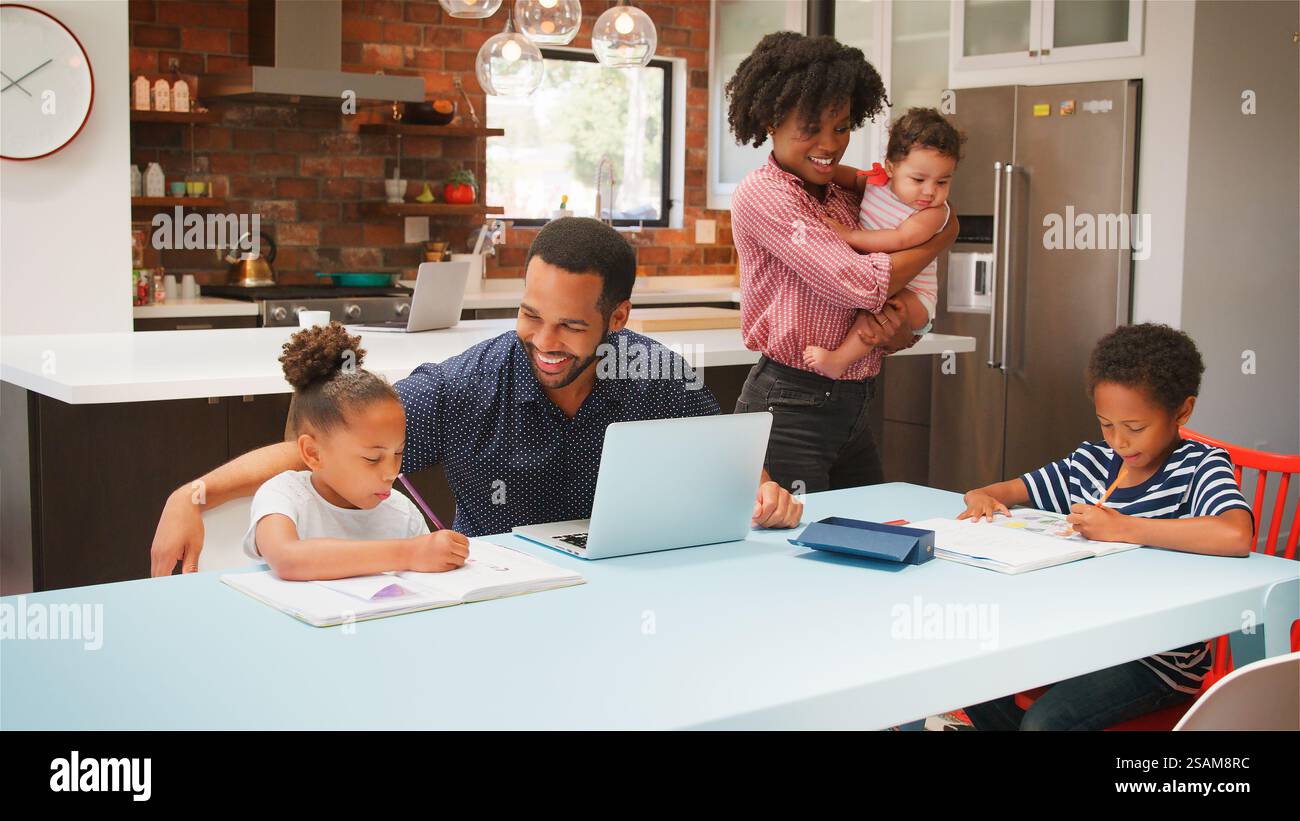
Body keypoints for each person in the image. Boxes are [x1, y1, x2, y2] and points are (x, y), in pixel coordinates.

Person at [151, 218, 803, 575]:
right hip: (496, 599)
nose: (543, 341)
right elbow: (326, 449)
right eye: (530, 315)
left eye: (572, 326)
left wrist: (765, 491)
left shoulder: (659, 378)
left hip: (628, 591)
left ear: (618, 317)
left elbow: (732, 470)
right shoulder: (468, 386)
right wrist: (193, 494)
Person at [958, 323, 1254, 730]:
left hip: (1158, 659)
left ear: (1182, 411)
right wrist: (982, 495)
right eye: (1106, 424)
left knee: (1047, 722)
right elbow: (1008, 490)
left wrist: (1126, 527)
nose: (1119, 442)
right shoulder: (1091, 463)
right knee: (963, 677)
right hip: (1084, 638)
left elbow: (1235, 534)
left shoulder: (1200, 466)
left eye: (1135, 428)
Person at [724, 32, 958, 494]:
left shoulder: (842, 195)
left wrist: (897, 334)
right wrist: (942, 237)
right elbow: (861, 285)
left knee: (862, 544)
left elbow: (894, 304)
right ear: (772, 119)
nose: (830, 144)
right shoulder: (765, 194)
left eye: (842, 126)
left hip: (853, 401)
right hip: (790, 404)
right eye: (811, 127)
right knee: (785, 553)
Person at [244, 322, 469, 580]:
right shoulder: (284, 495)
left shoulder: (402, 513)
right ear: (313, 454)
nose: (391, 473)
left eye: (398, 454)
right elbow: (288, 559)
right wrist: (407, 554)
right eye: (372, 458)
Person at [805, 107, 963, 379]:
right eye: (918, 179)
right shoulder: (877, 184)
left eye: (942, 182)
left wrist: (849, 235)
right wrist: (820, 170)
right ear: (890, 167)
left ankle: (839, 360)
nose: (929, 191)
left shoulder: (934, 213)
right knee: (874, 309)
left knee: (880, 314)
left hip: (915, 297)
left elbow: (899, 238)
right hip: (887, 284)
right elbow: (851, 177)